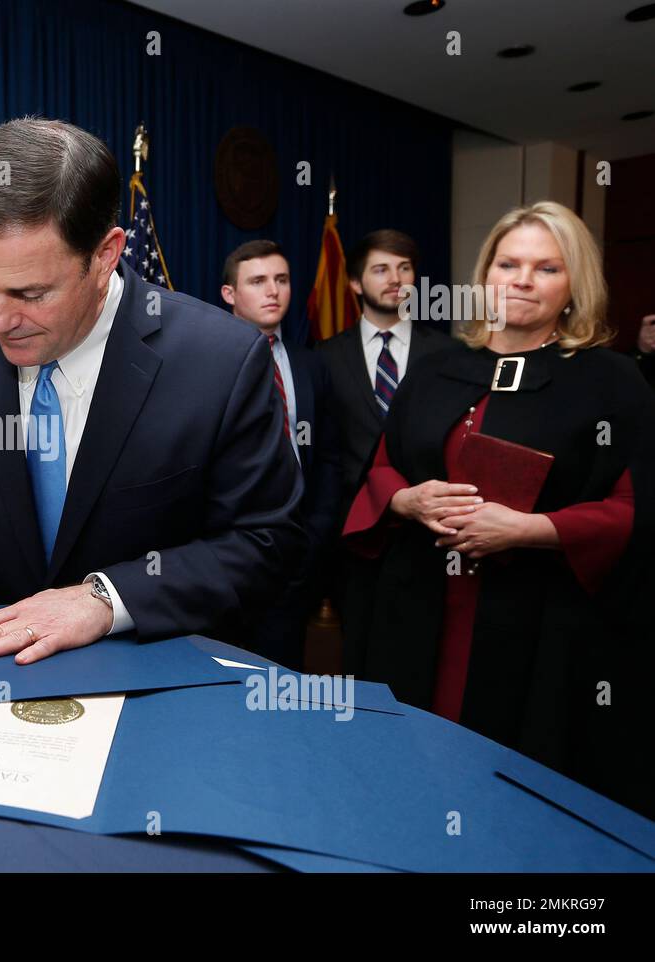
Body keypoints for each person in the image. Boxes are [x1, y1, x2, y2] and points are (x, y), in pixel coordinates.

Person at [0, 118, 306, 664]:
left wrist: (105, 599)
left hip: (156, 678)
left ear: (106, 254)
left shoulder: (221, 361)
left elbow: (263, 541)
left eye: (32, 292)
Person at [341, 201, 655, 816]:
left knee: (518, 804)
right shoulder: (436, 369)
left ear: (574, 285)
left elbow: (635, 509)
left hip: (544, 626)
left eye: (546, 268)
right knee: (408, 785)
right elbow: (381, 468)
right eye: (508, 263)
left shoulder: (614, 383)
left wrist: (535, 529)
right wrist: (407, 498)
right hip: (422, 603)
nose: (521, 279)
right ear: (485, 275)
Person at [220, 240, 340, 667]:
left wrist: (318, 533)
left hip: (297, 557)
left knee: (283, 678)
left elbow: (328, 457)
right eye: (257, 281)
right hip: (224, 561)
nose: (273, 291)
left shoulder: (313, 365)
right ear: (229, 294)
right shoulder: (202, 362)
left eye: (282, 280)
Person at [317, 230, 450, 506]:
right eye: (381, 270)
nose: (395, 279)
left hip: (430, 519)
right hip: (350, 520)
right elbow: (323, 450)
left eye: (404, 268)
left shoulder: (448, 353)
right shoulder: (323, 357)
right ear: (355, 283)